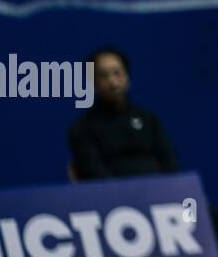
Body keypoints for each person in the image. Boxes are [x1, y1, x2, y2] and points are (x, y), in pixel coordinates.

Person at [68, 47, 178, 180]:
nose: (113, 82)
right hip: (113, 198)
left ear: (127, 77)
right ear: (93, 84)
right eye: (103, 75)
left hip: (160, 194)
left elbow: (171, 165)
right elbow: (96, 177)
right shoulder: (82, 129)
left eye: (117, 73)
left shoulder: (149, 119)